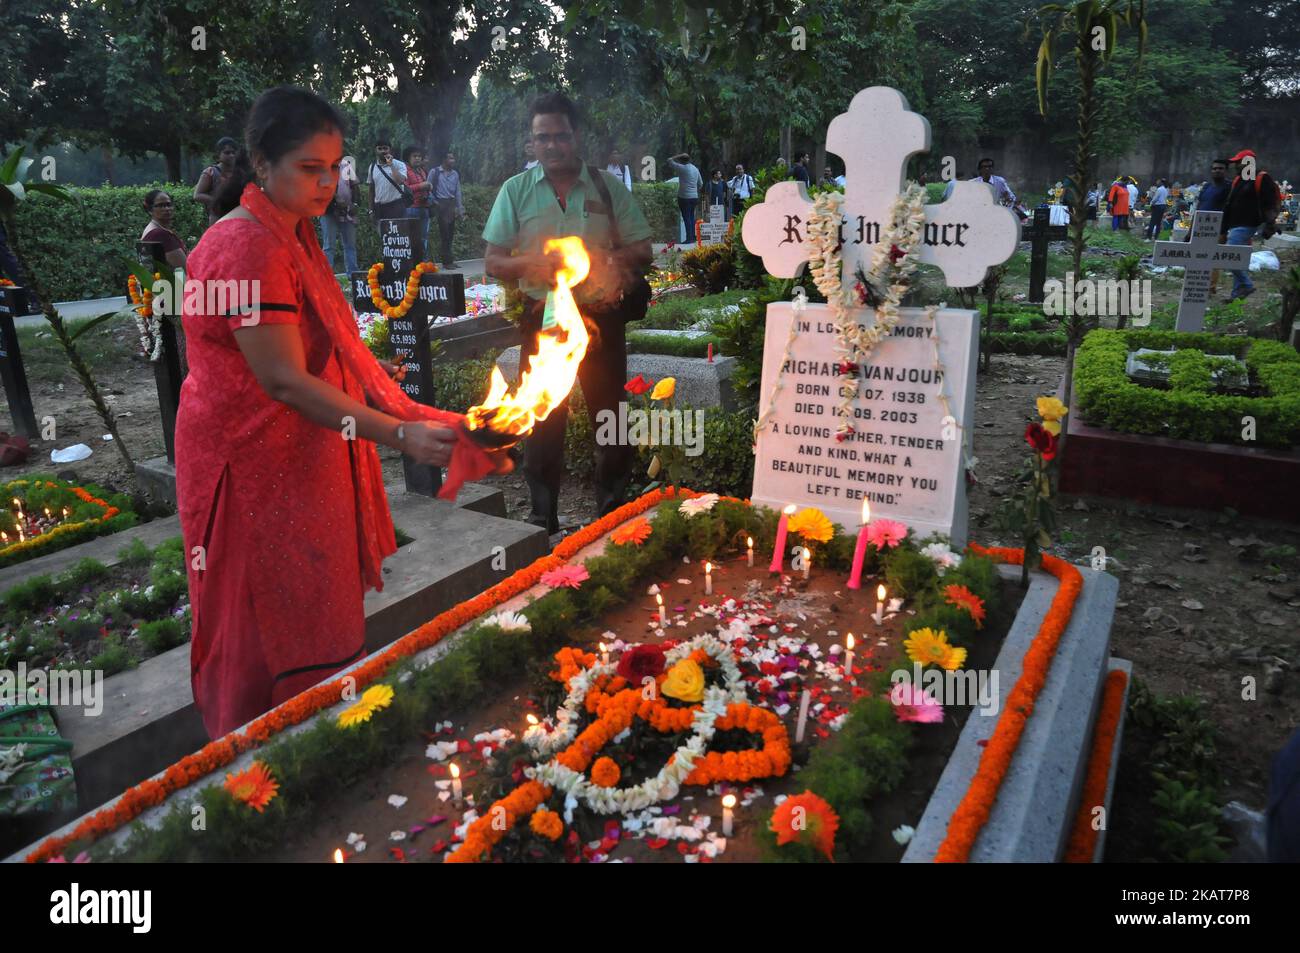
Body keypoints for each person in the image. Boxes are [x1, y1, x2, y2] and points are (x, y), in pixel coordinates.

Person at [177, 86, 507, 739]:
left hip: (303, 459)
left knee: (316, 612)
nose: (328, 183)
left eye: (335, 166)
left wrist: (368, 376)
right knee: (262, 630)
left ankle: (321, 738)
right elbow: (282, 380)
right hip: (250, 473)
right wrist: (398, 430)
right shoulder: (247, 247)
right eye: (309, 167)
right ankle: (255, 770)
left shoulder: (293, 234)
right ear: (261, 164)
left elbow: (309, 347)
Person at [483, 91, 653, 534]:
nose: (552, 145)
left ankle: (613, 518)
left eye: (560, 136)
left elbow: (643, 249)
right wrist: (534, 265)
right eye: (543, 138)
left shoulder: (605, 188)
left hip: (600, 319)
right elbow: (493, 261)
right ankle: (542, 522)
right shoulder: (515, 191)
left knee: (610, 421)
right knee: (541, 422)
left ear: (576, 137)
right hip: (544, 320)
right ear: (531, 144)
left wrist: (605, 262)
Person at [1220, 148, 1282, 302]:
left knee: (1229, 255)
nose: (1236, 166)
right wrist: (1223, 228)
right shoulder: (1238, 180)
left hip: (1248, 224)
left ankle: (1246, 284)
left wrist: (1270, 223)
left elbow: (1269, 202)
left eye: (1239, 163)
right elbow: (1229, 205)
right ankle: (1236, 296)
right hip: (1234, 225)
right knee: (1238, 258)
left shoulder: (1261, 178)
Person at [1195, 159, 1232, 294]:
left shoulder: (1229, 187)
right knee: (1198, 255)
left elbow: (1230, 208)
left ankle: (1210, 287)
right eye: (1215, 168)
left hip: (1219, 227)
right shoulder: (1207, 187)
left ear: (1226, 171)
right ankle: (1198, 282)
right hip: (1201, 226)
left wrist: (1225, 229)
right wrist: (1191, 228)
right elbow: (1199, 206)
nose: (1217, 170)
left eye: (1221, 168)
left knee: (1212, 257)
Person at [319, 154, 360, 274]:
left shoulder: (345, 165)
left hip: (348, 211)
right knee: (329, 246)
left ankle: (353, 275)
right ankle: (327, 277)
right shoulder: (321, 166)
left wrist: (355, 204)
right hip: (328, 211)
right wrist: (336, 198)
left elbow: (355, 185)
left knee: (350, 245)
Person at [193, 137, 239, 228]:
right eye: (227, 153)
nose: (231, 155)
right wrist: (218, 200)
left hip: (238, 217)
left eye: (233, 152)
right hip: (218, 218)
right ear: (218, 154)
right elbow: (197, 195)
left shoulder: (239, 173)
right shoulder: (211, 172)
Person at [430, 151, 465, 269]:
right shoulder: (435, 172)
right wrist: (435, 202)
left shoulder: (455, 174)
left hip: (451, 204)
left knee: (450, 234)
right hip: (441, 203)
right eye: (450, 158)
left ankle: (450, 260)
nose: (453, 161)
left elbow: (458, 191)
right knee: (444, 234)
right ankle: (446, 262)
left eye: (453, 158)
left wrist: (460, 208)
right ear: (444, 160)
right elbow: (428, 188)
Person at [140, 189, 188, 270]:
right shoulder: (159, 234)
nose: (166, 208)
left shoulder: (155, 229)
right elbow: (183, 268)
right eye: (160, 205)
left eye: (168, 204)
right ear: (150, 210)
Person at [368, 138, 409, 224]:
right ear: (375, 150)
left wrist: (391, 165)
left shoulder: (399, 164)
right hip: (379, 208)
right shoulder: (372, 167)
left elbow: (400, 181)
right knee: (382, 236)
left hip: (396, 206)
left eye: (385, 148)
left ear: (390, 150)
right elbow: (371, 190)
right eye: (380, 148)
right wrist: (371, 210)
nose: (383, 151)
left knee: (399, 235)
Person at [666, 151, 704, 240]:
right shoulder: (695, 169)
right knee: (691, 217)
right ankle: (693, 237)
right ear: (689, 159)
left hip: (684, 197)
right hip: (694, 197)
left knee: (687, 217)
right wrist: (694, 190)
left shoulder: (681, 168)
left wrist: (678, 155)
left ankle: (689, 238)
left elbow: (669, 160)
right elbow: (701, 183)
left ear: (681, 161)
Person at [403, 146, 434, 251]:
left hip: (424, 208)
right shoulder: (404, 170)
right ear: (408, 158)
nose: (417, 158)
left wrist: (429, 188)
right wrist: (422, 186)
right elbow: (405, 189)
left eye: (419, 156)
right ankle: (412, 263)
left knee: (424, 238)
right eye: (414, 156)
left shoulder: (422, 171)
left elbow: (426, 187)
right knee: (411, 238)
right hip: (412, 208)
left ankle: (422, 262)